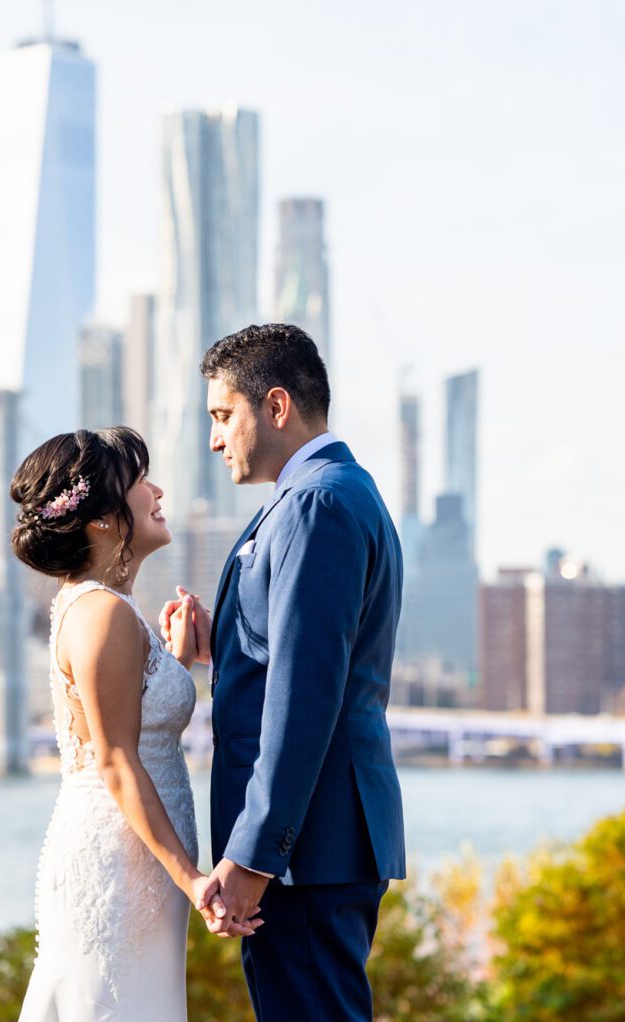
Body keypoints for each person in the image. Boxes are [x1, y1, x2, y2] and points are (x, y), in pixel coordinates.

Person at [162, 323, 407, 1021]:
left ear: (275, 407)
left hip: (305, 853)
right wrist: (226, 643)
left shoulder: (316, 505)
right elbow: (307, 656)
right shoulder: (328, 494)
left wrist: (253, 858)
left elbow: (306, 699)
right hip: (319, 844)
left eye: (221, 416)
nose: (214, 441)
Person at [12, 426, 257, 1022]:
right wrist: (194, 881)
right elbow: (115, 759)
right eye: (139, 481)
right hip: (121, 871)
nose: (157, 490)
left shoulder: (104, 607)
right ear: (100, 519)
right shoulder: (101, 614)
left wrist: (176, 659)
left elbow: (130, 719)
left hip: (137, 865)